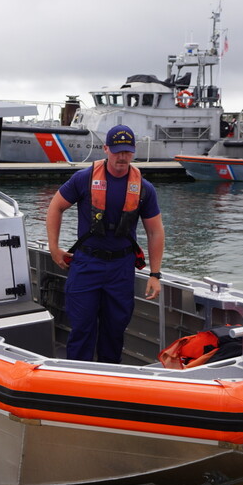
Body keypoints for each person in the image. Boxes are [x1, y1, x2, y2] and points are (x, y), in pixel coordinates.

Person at [46, 125, 165, 363]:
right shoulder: (84, 179)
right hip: (86, 264)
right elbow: (55, 207)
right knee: (82, 328)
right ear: (106, 149)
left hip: (121, 268)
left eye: (127, 151)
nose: (122, 157)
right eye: (117, 151)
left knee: (115, 330)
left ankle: (109, 375)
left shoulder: (144, 188)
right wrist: (53, 247)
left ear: (133, 152)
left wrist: (155, 274)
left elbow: (155, 231)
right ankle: (77, 377)